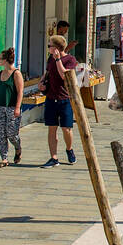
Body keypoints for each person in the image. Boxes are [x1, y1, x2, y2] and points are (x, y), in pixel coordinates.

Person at [40, 35, 79, 168]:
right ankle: (53, 157)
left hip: (65, 98)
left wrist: (58, 60)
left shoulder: (70, 60)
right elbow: (47, 73)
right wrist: (41, 82)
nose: (48, 48)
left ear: (56, 48)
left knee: (66, 128)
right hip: (51, 97)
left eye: (49, 45)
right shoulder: (50, 59)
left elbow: (64, 76)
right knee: (52, 128)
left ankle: (69, 149)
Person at [0, 47, 24, 168]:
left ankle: (18, 147)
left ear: (5, 60)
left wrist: (17, 108)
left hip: (12, 107)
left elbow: (20, 91)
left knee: (11, 134)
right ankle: (4, 158)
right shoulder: (0, 73)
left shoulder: (16, 73)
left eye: (0, 59)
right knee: (0, 133)